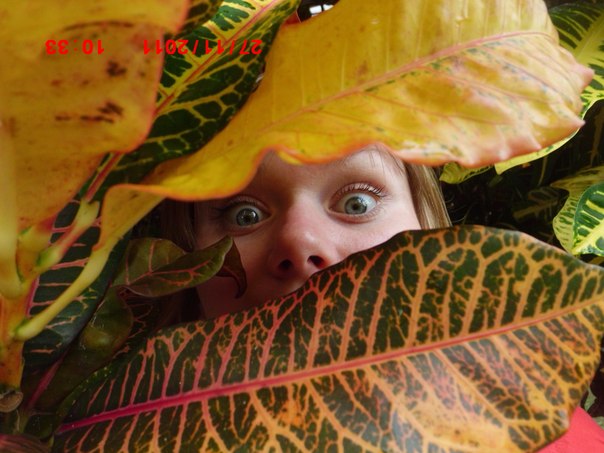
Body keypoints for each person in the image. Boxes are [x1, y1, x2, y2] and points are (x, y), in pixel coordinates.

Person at [161, 145, 604, 452]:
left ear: (429, 231)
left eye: (357, 203)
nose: (300, 240)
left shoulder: (537, 437)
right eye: (244, 215)